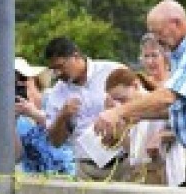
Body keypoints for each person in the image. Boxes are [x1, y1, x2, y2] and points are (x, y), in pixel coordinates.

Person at [95, 0, 186, 187]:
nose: (157, 39)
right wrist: (135, 115)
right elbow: (180, 108)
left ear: (176, 23)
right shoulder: (181, 54)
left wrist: (119, 111)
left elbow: (168, 97)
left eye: (158, 32)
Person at [41, 36, 125, 181]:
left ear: (76, 56)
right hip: (85, 167)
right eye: (53, 69)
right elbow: (55, 142)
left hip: (121, 161)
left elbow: (139, 104)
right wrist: (62, 116)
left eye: (61, 66)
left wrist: (117, 110)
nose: (58, 73)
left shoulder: (112, 71)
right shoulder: (57, 93)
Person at [138, 33, 186, 186]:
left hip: (173, 157)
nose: (150, 61)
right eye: (146, 56)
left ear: (165, 57)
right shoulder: (138, 85)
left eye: (154, 55)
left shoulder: (176, 84)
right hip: (143, 160)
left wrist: (161, 136)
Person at [13, 57, 76, 178]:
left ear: (34, 79)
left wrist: (34, 113)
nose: (19, 84)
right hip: (33, 180)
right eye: (13, 82)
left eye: (22, 78)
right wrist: (12, 122)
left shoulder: (53, 97)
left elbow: (69, 128)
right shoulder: (14, 116)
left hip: (66, 174)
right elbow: (16, 157)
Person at [104, 68, 166, 185]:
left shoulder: (160, 104)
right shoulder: (130, 113)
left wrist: (160, 137)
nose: (121, 104)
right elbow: (132, 150)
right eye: (117, 101)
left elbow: (179, 129)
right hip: (138, 171)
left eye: (122, 99)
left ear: (136, 85)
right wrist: (117, 128)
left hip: (159, 170)